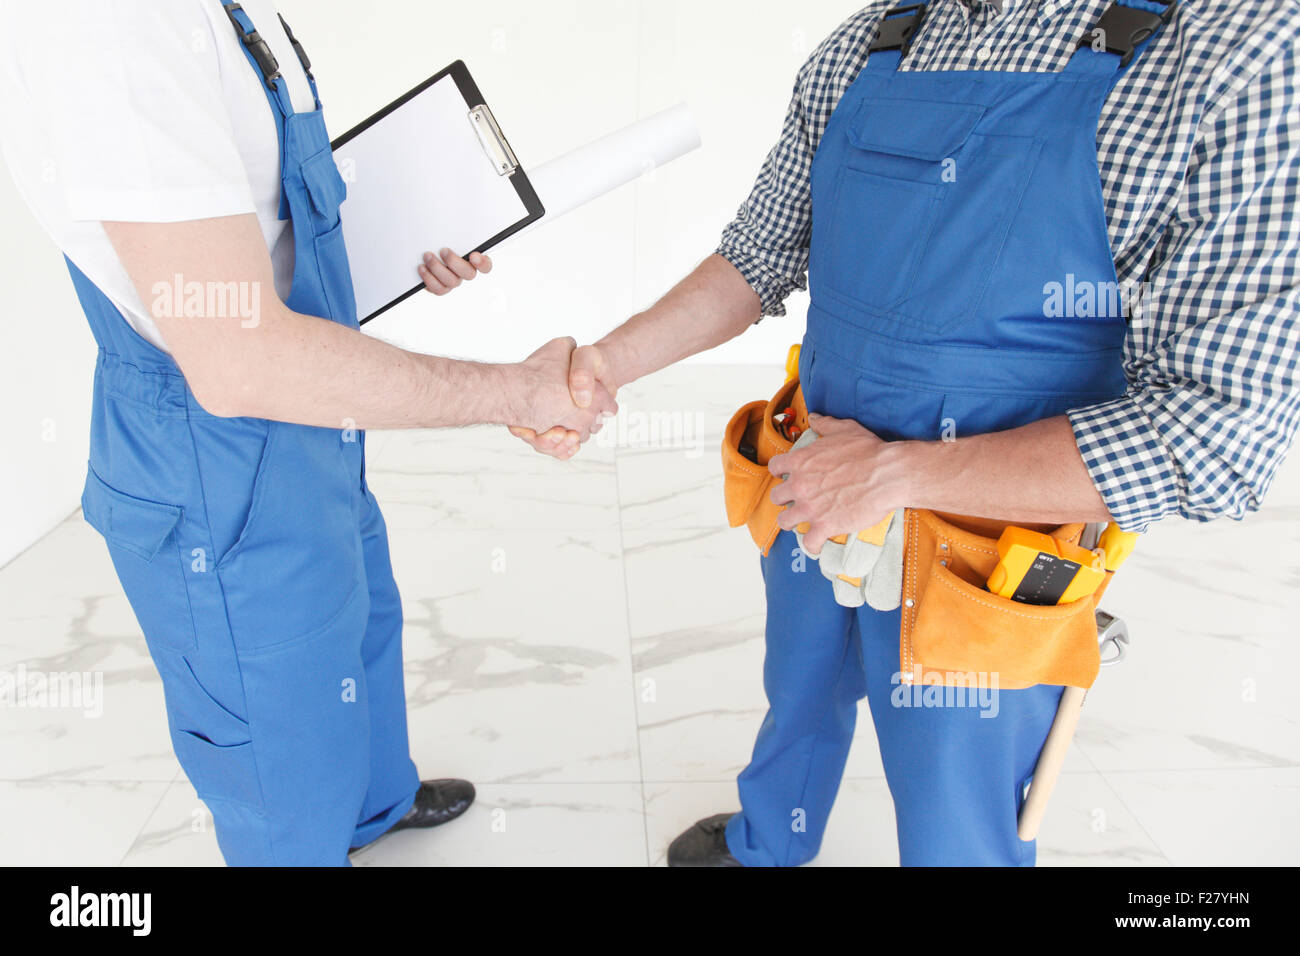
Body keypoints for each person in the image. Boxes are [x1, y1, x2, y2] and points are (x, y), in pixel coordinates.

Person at [516, 0, 1300, 866]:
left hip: (990, 548)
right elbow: (760, 253)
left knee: (956, 808)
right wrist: (602, 365)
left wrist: (898, 476)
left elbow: (1219, 434)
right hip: (814, 486)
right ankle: (767, 841)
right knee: (801, 689)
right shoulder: (870, 42)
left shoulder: (1230, 49)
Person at [0, 0, 613, 866]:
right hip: (216, 448)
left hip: (311, 412)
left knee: (356, 613)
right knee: (279, 724)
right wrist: (510, 389)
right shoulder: (108, 25)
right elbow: (238, 357)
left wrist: (397, 235)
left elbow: (252, 212)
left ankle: (370, 807)